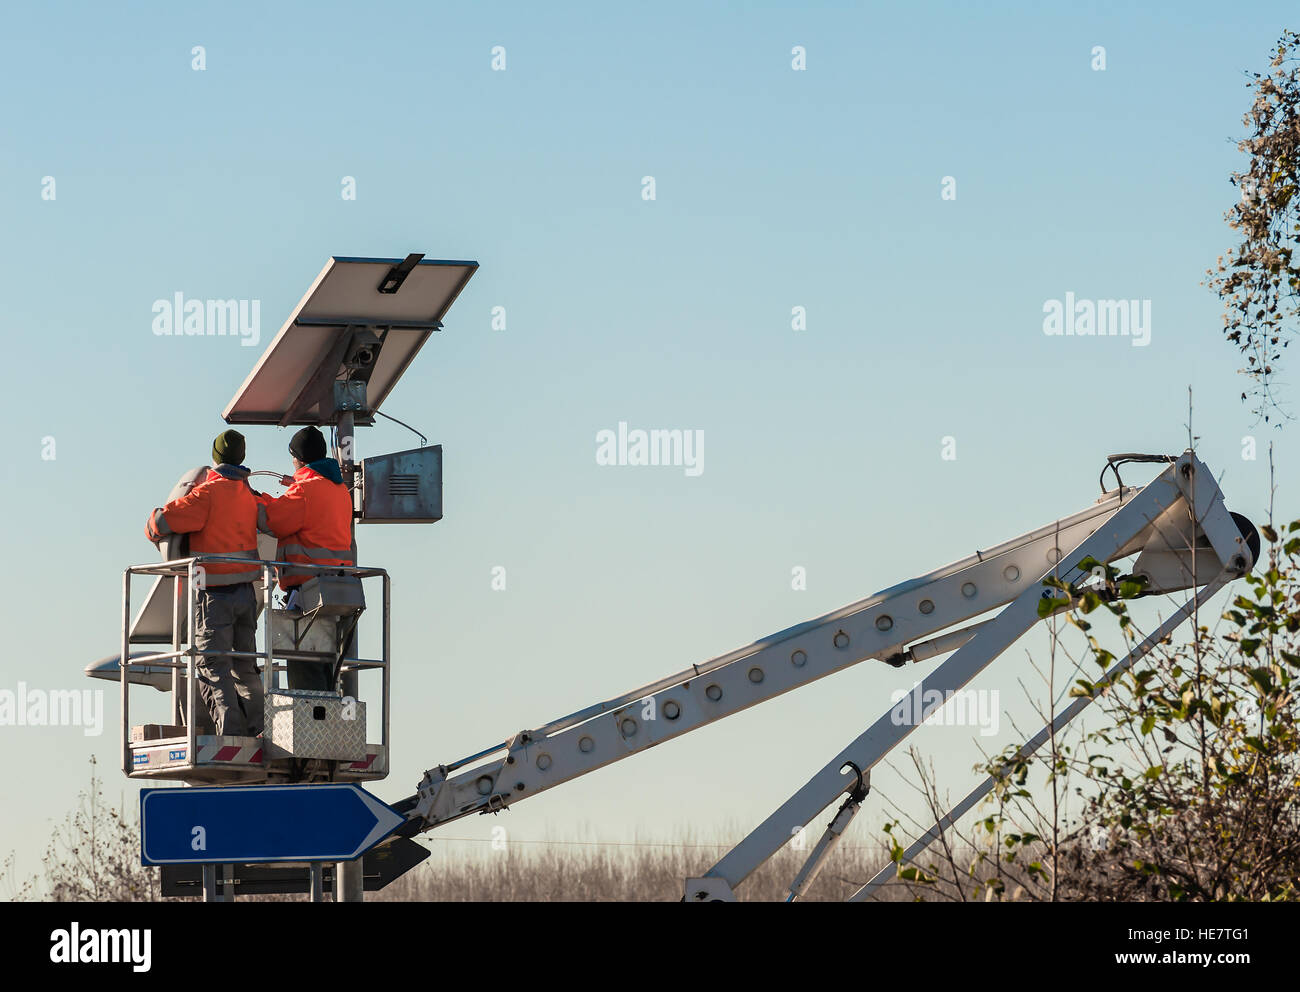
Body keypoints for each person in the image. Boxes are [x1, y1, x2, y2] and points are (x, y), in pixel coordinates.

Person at [145, 429, 265, 736]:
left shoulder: (207, 496)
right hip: (247, 594)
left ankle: (231, 734)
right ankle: (258, 730)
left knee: (213, 666)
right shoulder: (249, 496)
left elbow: (162, 523)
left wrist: (152, 522)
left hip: (215, 596)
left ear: (215, 457)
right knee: (245, 667)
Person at [257, 426, 355, 690]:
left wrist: (255, 499)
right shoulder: (339, 491)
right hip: (336, 592)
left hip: (308, 597)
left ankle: (311, 725)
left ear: (299, 458)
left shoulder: (305, 491)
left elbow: (273, 520)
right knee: (326, 672)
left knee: (304, 676)